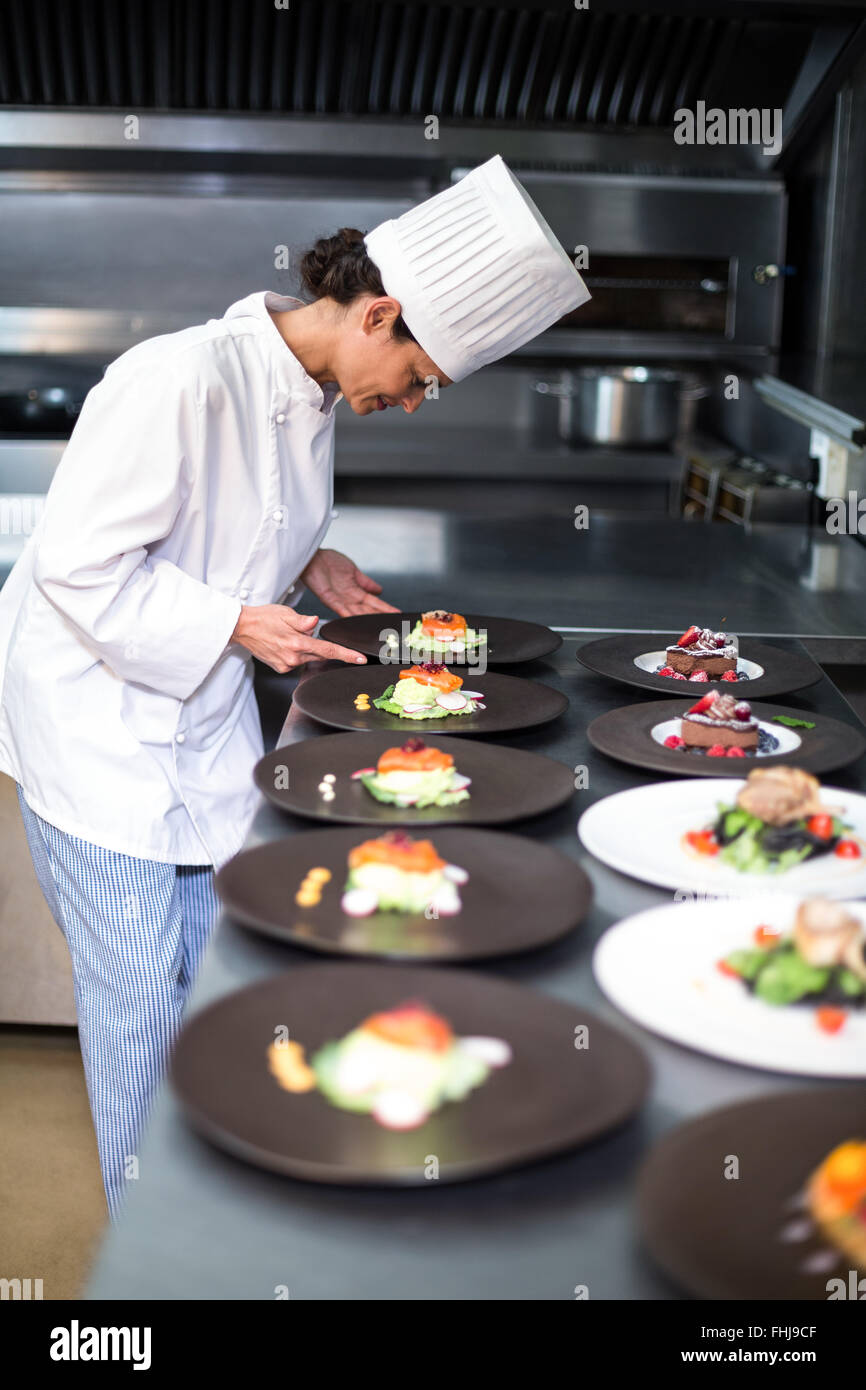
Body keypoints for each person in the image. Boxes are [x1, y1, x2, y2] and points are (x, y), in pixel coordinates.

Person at [0, 154, 589, 1217]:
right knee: (136, 998)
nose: (411, 404)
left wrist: (302, 560)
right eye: (418, 380)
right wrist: (232, 619)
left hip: (199, 716)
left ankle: (211, 1206)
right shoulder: (179, 376)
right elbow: (75, 565)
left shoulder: (309, 386)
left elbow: (229, 512)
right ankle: (155, 1251)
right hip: (98, 733)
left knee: (217, 975)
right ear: (380, 315)